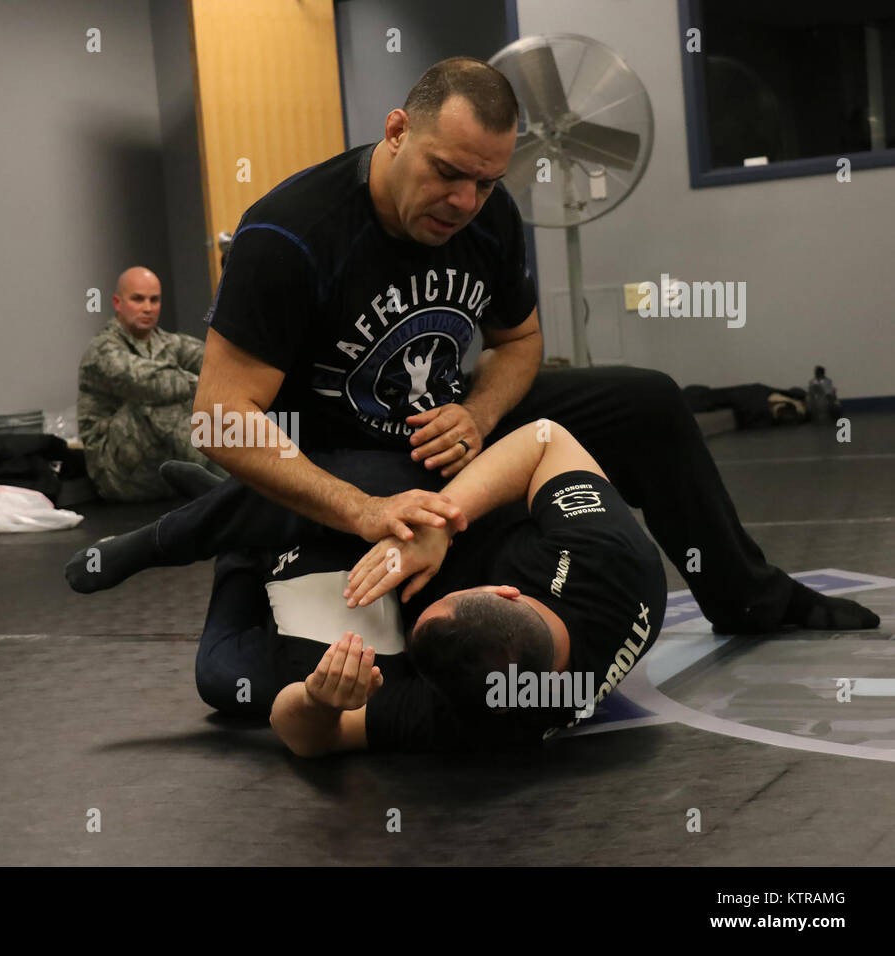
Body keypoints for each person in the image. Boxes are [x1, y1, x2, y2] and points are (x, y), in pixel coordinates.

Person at [189, 55, 877, 635]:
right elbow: (219, 416)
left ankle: (751, 600)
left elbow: (519, 340)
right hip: (352, 459)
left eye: (486, 182)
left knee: (649, 402)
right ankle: (251, 554)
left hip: (446, 431)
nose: (464, 201)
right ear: (397, 132)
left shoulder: (490, 220)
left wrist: (479, 415)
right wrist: (362, 510)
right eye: (448, 172)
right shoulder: (289, 234)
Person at [67, 419, 665, 756]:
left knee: (224, 681)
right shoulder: (613, 563)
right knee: (340, 491)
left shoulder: (473, 719)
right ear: (508, 591)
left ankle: (238, 545)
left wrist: (320, 701)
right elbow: (545, 440)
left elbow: (303, 736)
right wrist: (437, 528)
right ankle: (173, 536)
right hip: (431, 517)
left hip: (381, 607)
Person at [77, 266, 227, 502]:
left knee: (227, 391)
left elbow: (216, 362)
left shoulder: (169, 342)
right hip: (116, 471)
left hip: (160, 465)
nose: (147, 307)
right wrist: (206, 387)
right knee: (158, 399)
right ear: (118, 303)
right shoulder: (101, 350)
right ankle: (225, 481)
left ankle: (248, 474)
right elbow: (151, 382)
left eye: (154, 300)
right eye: (138, 299)